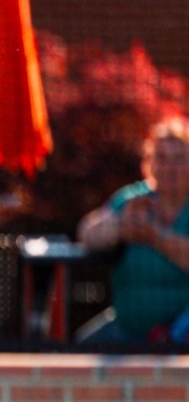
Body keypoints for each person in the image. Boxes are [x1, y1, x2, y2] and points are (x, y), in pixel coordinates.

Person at [76, 118, 189, 349]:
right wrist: (120, 227)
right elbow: (86, 233)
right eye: (161, 158)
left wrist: (154, 236)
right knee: (73, 354)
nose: (169, 167)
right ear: (150, 162)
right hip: (126, 330)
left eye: (179, 159)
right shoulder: (132, 199)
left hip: (181, 337)